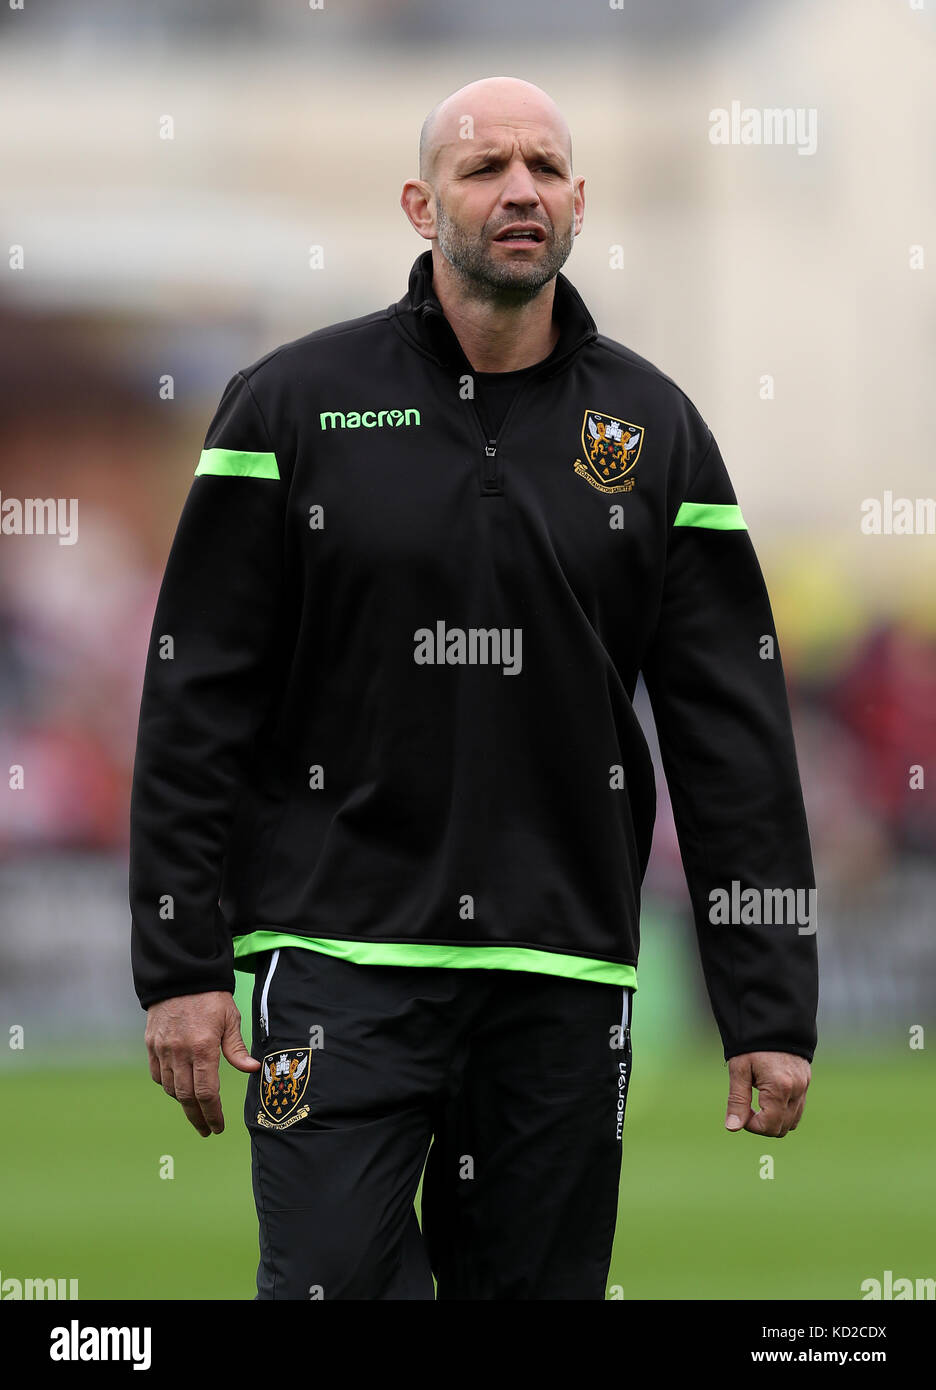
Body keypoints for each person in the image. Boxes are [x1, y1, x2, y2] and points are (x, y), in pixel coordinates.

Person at [130, 75, 818, 1301]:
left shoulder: (655, 429)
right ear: (420, 201)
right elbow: (197, 696)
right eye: (484, 167)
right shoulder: (293, 404)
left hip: (560, 968)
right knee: (324, 1282)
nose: (519, 191)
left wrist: (767, 998)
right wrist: (181, 963)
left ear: (579, 203)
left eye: (545, 169)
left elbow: (735, 734)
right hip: (336, 954)